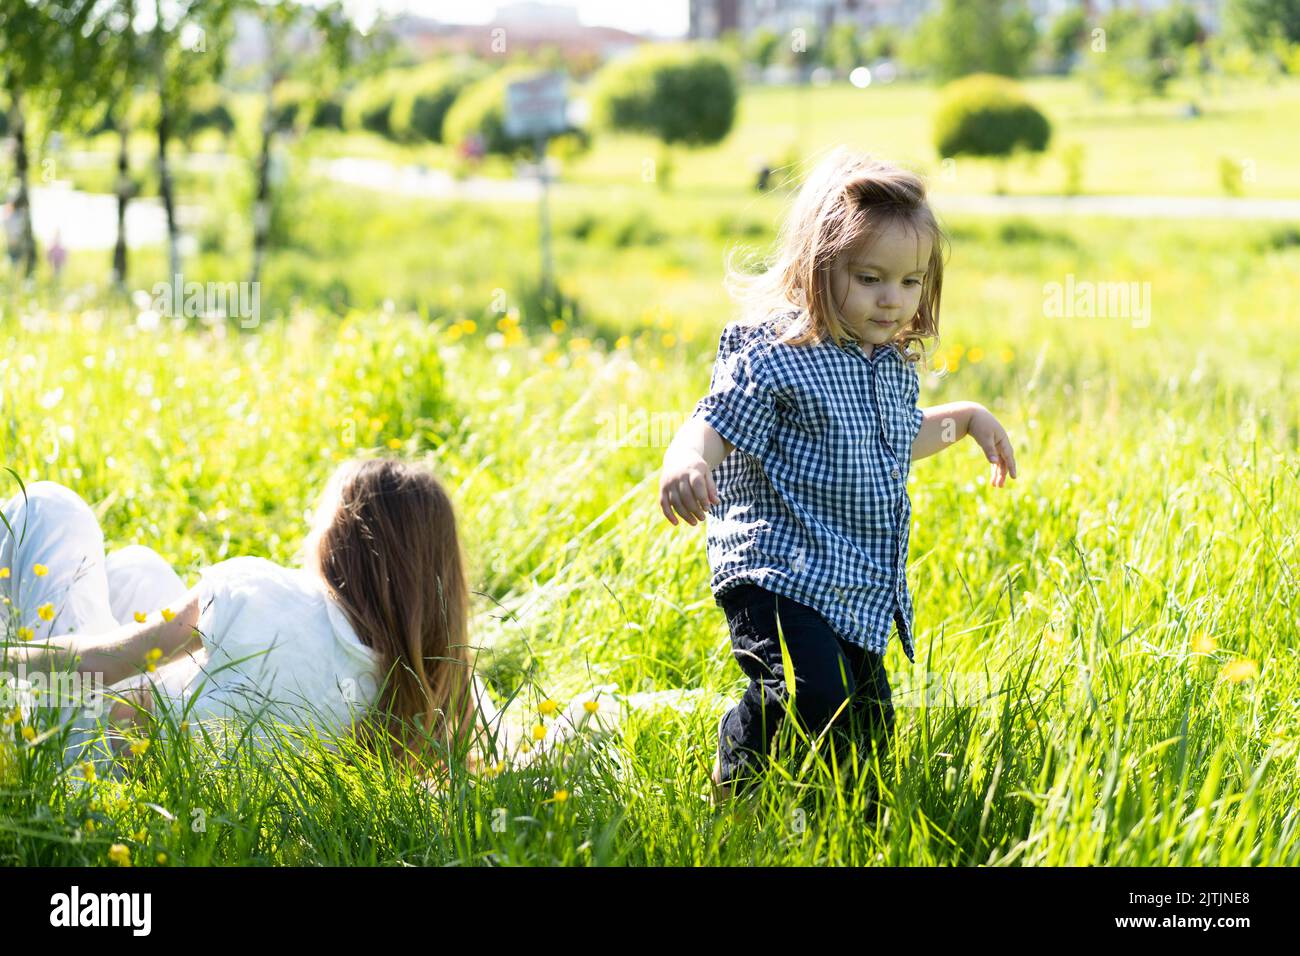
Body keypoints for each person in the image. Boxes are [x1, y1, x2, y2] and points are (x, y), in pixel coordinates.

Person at [657, 148, 1019, 803]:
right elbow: (714, 420)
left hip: (851, 577)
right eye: (871, 277)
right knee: (801, 689)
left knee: (867, 719)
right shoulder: (779, 355)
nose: (892, 299)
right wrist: (686, 461)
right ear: (818, 268)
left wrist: (963, 420)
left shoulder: (887, 364)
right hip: (776, 566)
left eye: (910, 283)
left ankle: (848, 822)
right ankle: (735, 785)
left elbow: (890, 440)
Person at [0, 459, 580, 776]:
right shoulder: (429, 681)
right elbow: (504, 757)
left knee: (50, 506)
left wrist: (10, 668)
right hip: (180, 752)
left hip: (81, 745)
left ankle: (11, 706)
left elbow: (107, 663)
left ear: (340, 539)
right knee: (136, 568)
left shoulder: (257, 593)